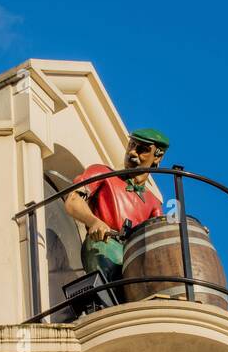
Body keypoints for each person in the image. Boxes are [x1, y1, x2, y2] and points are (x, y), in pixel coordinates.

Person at [63, 128, 170, 300]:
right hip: (104, 245)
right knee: (113, 291)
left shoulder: (153, 202)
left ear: (157, 157)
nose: (133, 152)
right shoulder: (102, 173)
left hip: (133, 257)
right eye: (131, 146)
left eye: (142, 149)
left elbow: (158, 240)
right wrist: (94, 222)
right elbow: (73, 201)